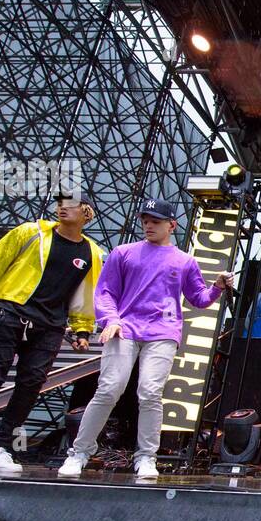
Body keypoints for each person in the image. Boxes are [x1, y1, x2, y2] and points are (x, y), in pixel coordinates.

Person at [58, 197, 233, 480]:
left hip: (163, 332)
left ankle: (147, 456)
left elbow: (198, 299)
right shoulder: (123, 253)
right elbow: (104, 292)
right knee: (109, 389)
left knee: (150, 392)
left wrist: (217, 287)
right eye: (146, 221)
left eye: (155, 221)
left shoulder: (184, 261)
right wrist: (111, 320)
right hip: (124, 328)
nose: (149, 225)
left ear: (171, 225)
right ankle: (79, 452)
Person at [0, 195, 103, 476]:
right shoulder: (31, 233)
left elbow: (85, 294)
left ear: (87, 212)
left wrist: (82, 328)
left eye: (71, 203)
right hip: (9, 312)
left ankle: (0, 447)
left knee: (31, 384)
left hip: (50, 325)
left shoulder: (91, 253)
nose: (63, 207)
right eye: (61, 203)